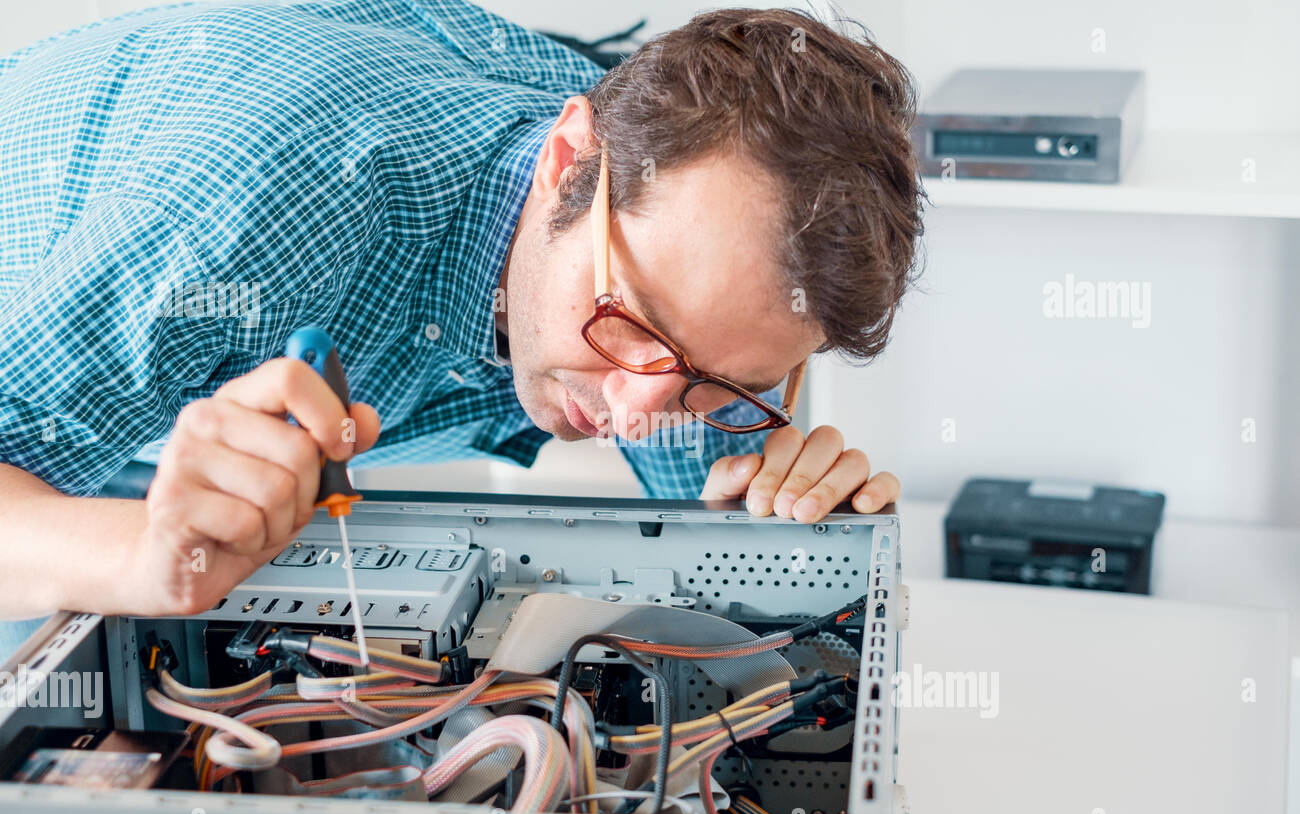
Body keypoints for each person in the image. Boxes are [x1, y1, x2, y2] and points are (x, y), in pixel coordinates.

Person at [0, 0, 923, 646]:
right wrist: (146, 559)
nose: (634, 413)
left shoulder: (656, 211)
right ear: (567, 162)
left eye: (718, 386)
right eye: (632, 325)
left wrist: (781, 520)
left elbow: (706, 485)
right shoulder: (255, 212)